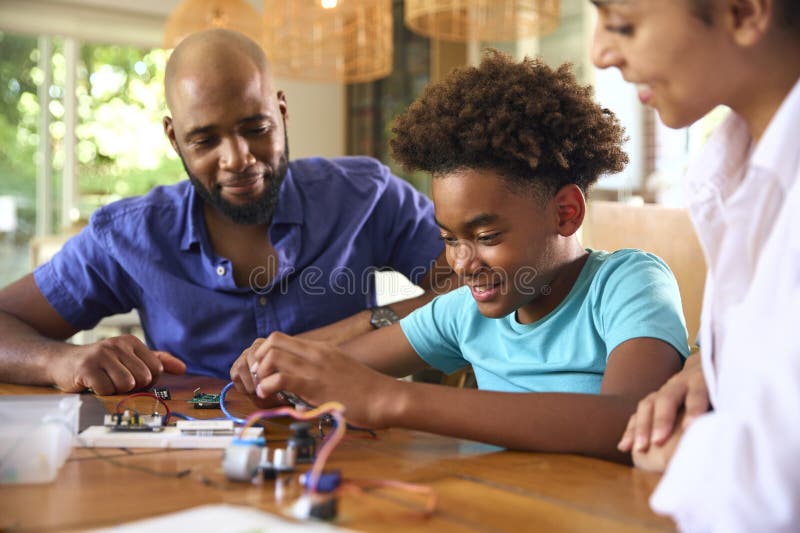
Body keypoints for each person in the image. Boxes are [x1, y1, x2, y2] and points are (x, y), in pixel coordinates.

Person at [242, 51, 689, 462]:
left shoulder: (628, 283)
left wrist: (394, 399)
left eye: (487, 234)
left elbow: (630, 421)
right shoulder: (462, 314)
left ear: (565, 213)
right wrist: (286, 365)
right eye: (450, 239)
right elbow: (341, 373)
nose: (462, 263)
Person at [0, 29, 448, 395]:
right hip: (189, 466)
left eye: (256, 129)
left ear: (283, 111)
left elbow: (478, 290)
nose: (237, 158)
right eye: (205, 140)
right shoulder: (129, 235)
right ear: (174, 139)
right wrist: (61, 359)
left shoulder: (366, 196)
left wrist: (366, 325)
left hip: (355, 452)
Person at [591, 0, 800, 529]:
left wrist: (691, 453)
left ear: (744, 13)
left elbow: (777, 492)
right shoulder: (735, 178)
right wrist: (711, 368)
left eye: (622, 24)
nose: (599, 52)